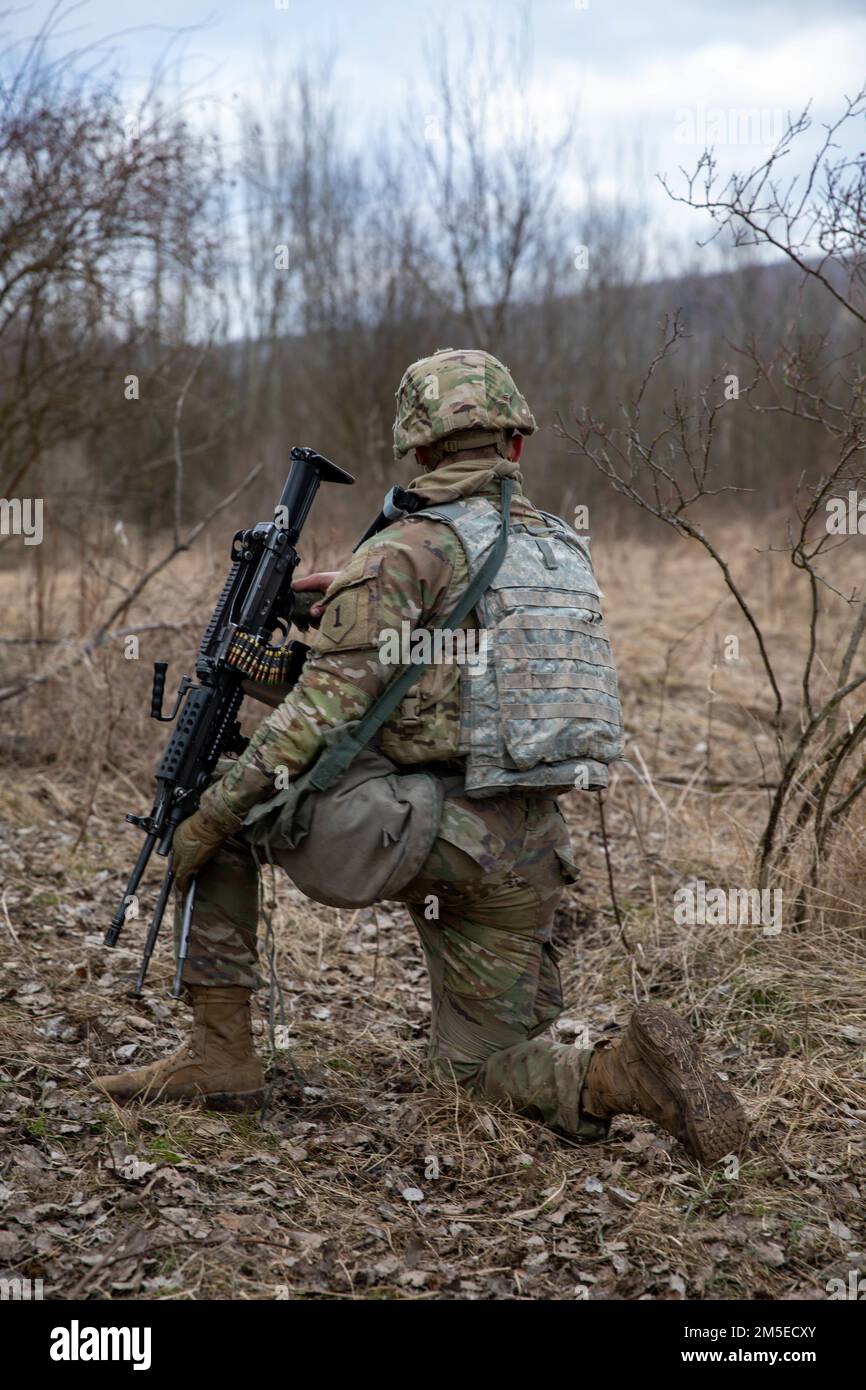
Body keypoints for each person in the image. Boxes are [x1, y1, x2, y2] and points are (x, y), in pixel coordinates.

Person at [94, 349, 747, 1165]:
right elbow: (458, 662)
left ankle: (221, 1057)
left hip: (428, 834)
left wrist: (211, 815)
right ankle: (624, 1077)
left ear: (421, 451)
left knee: (217, 809)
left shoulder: (404, 552)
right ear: (515, 445)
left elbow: (314, 721)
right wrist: (362, 598)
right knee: (479, 1074)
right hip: (529, 850)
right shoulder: (554, 549)